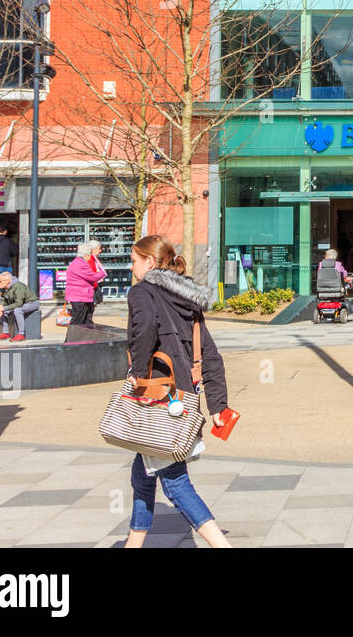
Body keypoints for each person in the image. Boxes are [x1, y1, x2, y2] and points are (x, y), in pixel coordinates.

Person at [124, 234, 231, 549]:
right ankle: (133, 543)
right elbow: (209, 354)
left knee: (175, 483)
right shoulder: (188, 300)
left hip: (158, 399)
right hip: (184, 400)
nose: (131, 267)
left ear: (150, 262)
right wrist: (217, 405)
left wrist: (137, 374)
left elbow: (142, 333)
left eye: (134, 260)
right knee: (143, 476)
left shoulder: (142, 293)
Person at [64, 239, 107, 327]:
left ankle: (85, 338)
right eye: (90, 254)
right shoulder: (81, 264)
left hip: (79, 296)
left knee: (85, 320)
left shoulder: (76, 263)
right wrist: (103, 272)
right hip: (80, 296)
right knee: (78, 321)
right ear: (86, 254)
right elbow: (93, 277)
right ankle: (71, 340)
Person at [0, 271, 39, 341]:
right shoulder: (4, 287)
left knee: (17, 310)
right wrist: (0, 308)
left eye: (0, 281)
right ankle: (5, 333)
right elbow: (3, 299)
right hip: (20, 304)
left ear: (7, 281)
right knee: (5, 311)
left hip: (31, 303)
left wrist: (3, 308)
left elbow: (18, 304)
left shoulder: (18, 287)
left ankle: (21, 334)